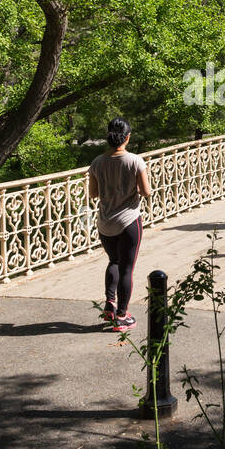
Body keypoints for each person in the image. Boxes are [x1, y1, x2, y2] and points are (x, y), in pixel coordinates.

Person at [87, 118, 151, 332]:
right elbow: (146, 191)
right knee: (127, 268)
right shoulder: (135, 161)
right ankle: (122, 316)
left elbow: (93, 194)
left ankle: (109, 304)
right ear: (127, 136)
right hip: (129, 221)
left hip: (105, 222)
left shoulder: (97, 162)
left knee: (113, 261)